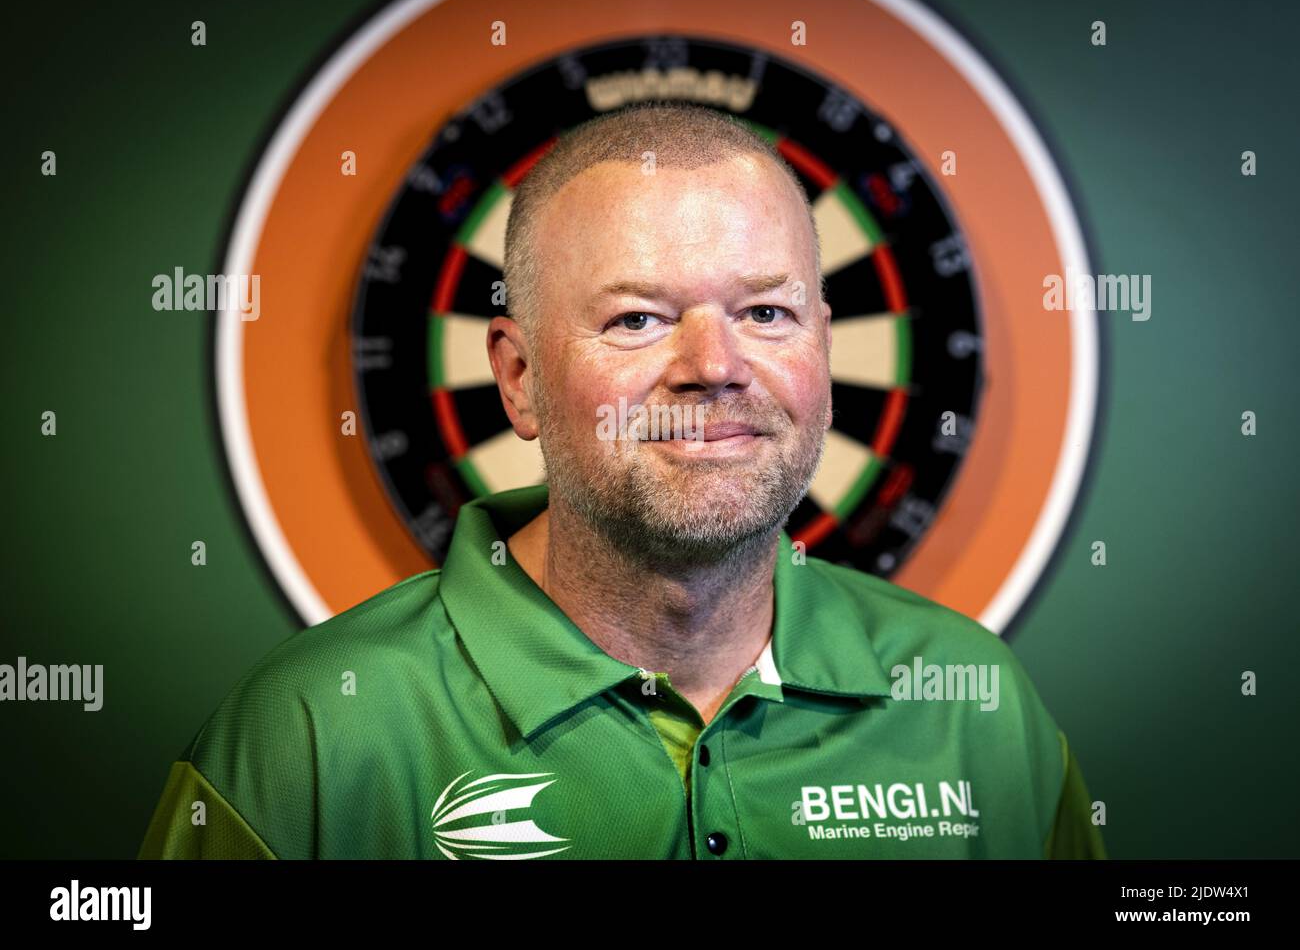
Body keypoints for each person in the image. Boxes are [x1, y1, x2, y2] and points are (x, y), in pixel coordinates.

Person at [139, 100, 1105, 859]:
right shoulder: (309, 734)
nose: (715, 364)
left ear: (823, 347)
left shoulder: (980, 710)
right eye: (637, 319)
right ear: (518, 379)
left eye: (767, 312)